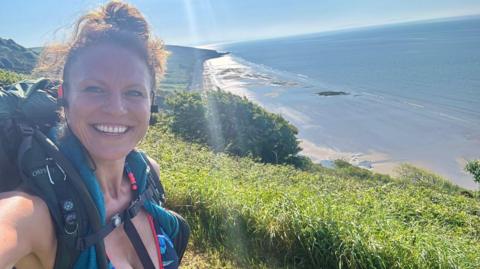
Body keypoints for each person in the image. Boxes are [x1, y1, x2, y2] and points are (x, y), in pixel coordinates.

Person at [0, 1, 189, 268]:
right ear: (64, 97)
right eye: (94, 89)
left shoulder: (148, 175)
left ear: (151, 103)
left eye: (134, 92)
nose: (116, 109)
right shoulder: (34, 215)